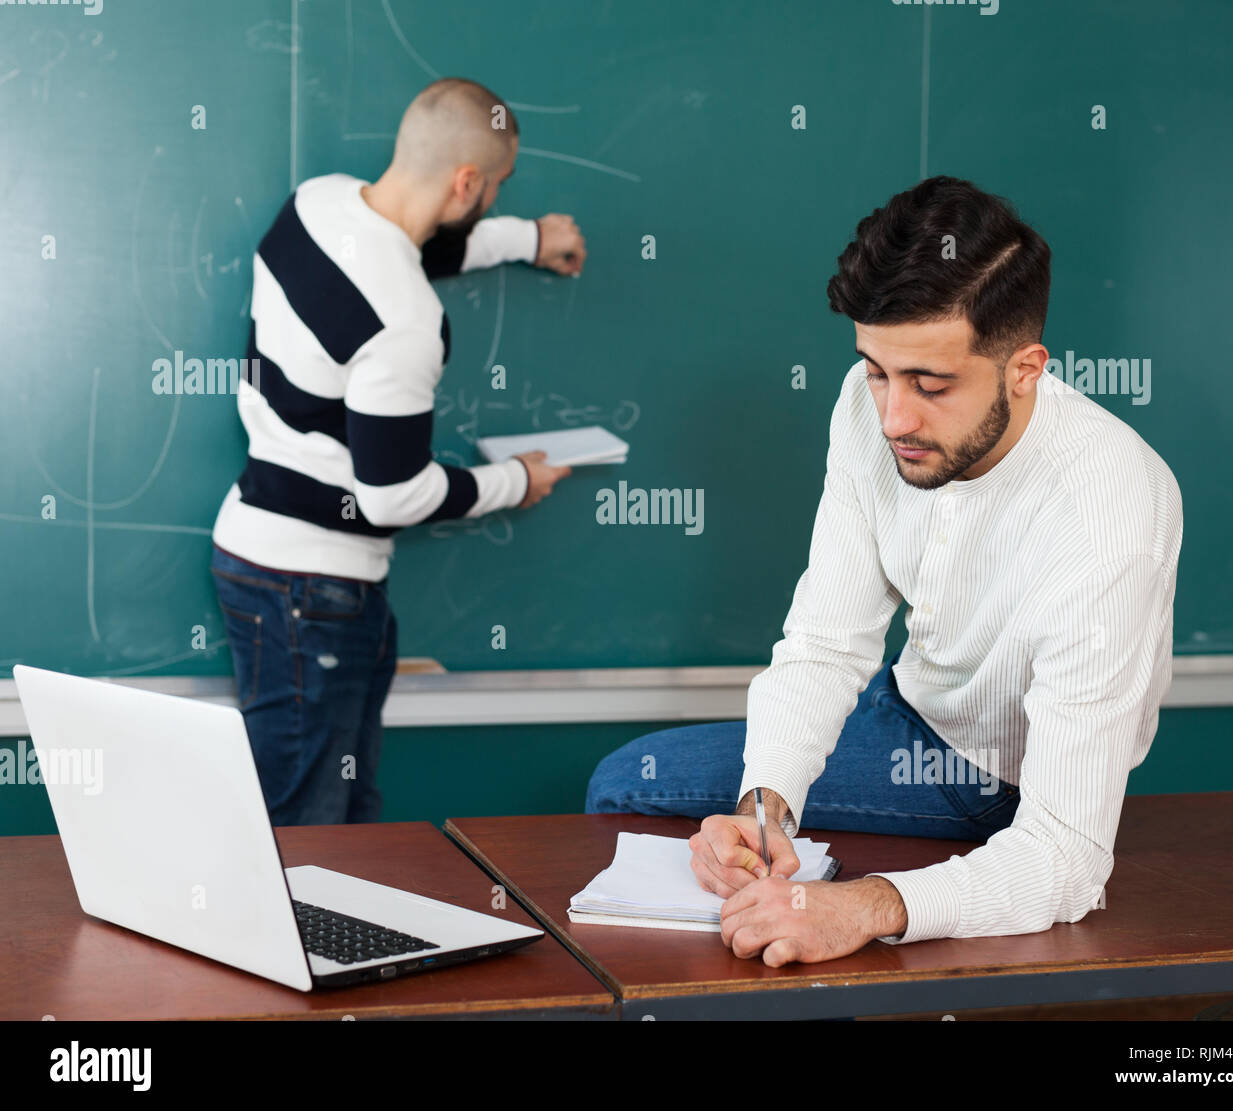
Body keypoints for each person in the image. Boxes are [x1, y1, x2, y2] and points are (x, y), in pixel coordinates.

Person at [586, 176, 1182, 964]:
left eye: (931, 384)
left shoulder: (1111, 511)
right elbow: (828, 641)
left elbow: (1068, 855)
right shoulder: (870, 406)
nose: (895, 416)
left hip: (990, 772)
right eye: (877, 370)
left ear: (1025, 368)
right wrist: (765, 810)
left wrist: (865, 906)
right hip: (902, 702)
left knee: (629, 784)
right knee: (639, 779)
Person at [212, 78, 585, 825]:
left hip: (259, 559)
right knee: (311, 836)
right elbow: (391, 493)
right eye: (496, 189)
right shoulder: (407, 323)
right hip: (315, 592)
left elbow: (402, 250)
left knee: (337, 822)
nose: (493, 200)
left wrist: (527, 238)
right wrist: (513, 480)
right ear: (467, 183)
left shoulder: (317, 202)